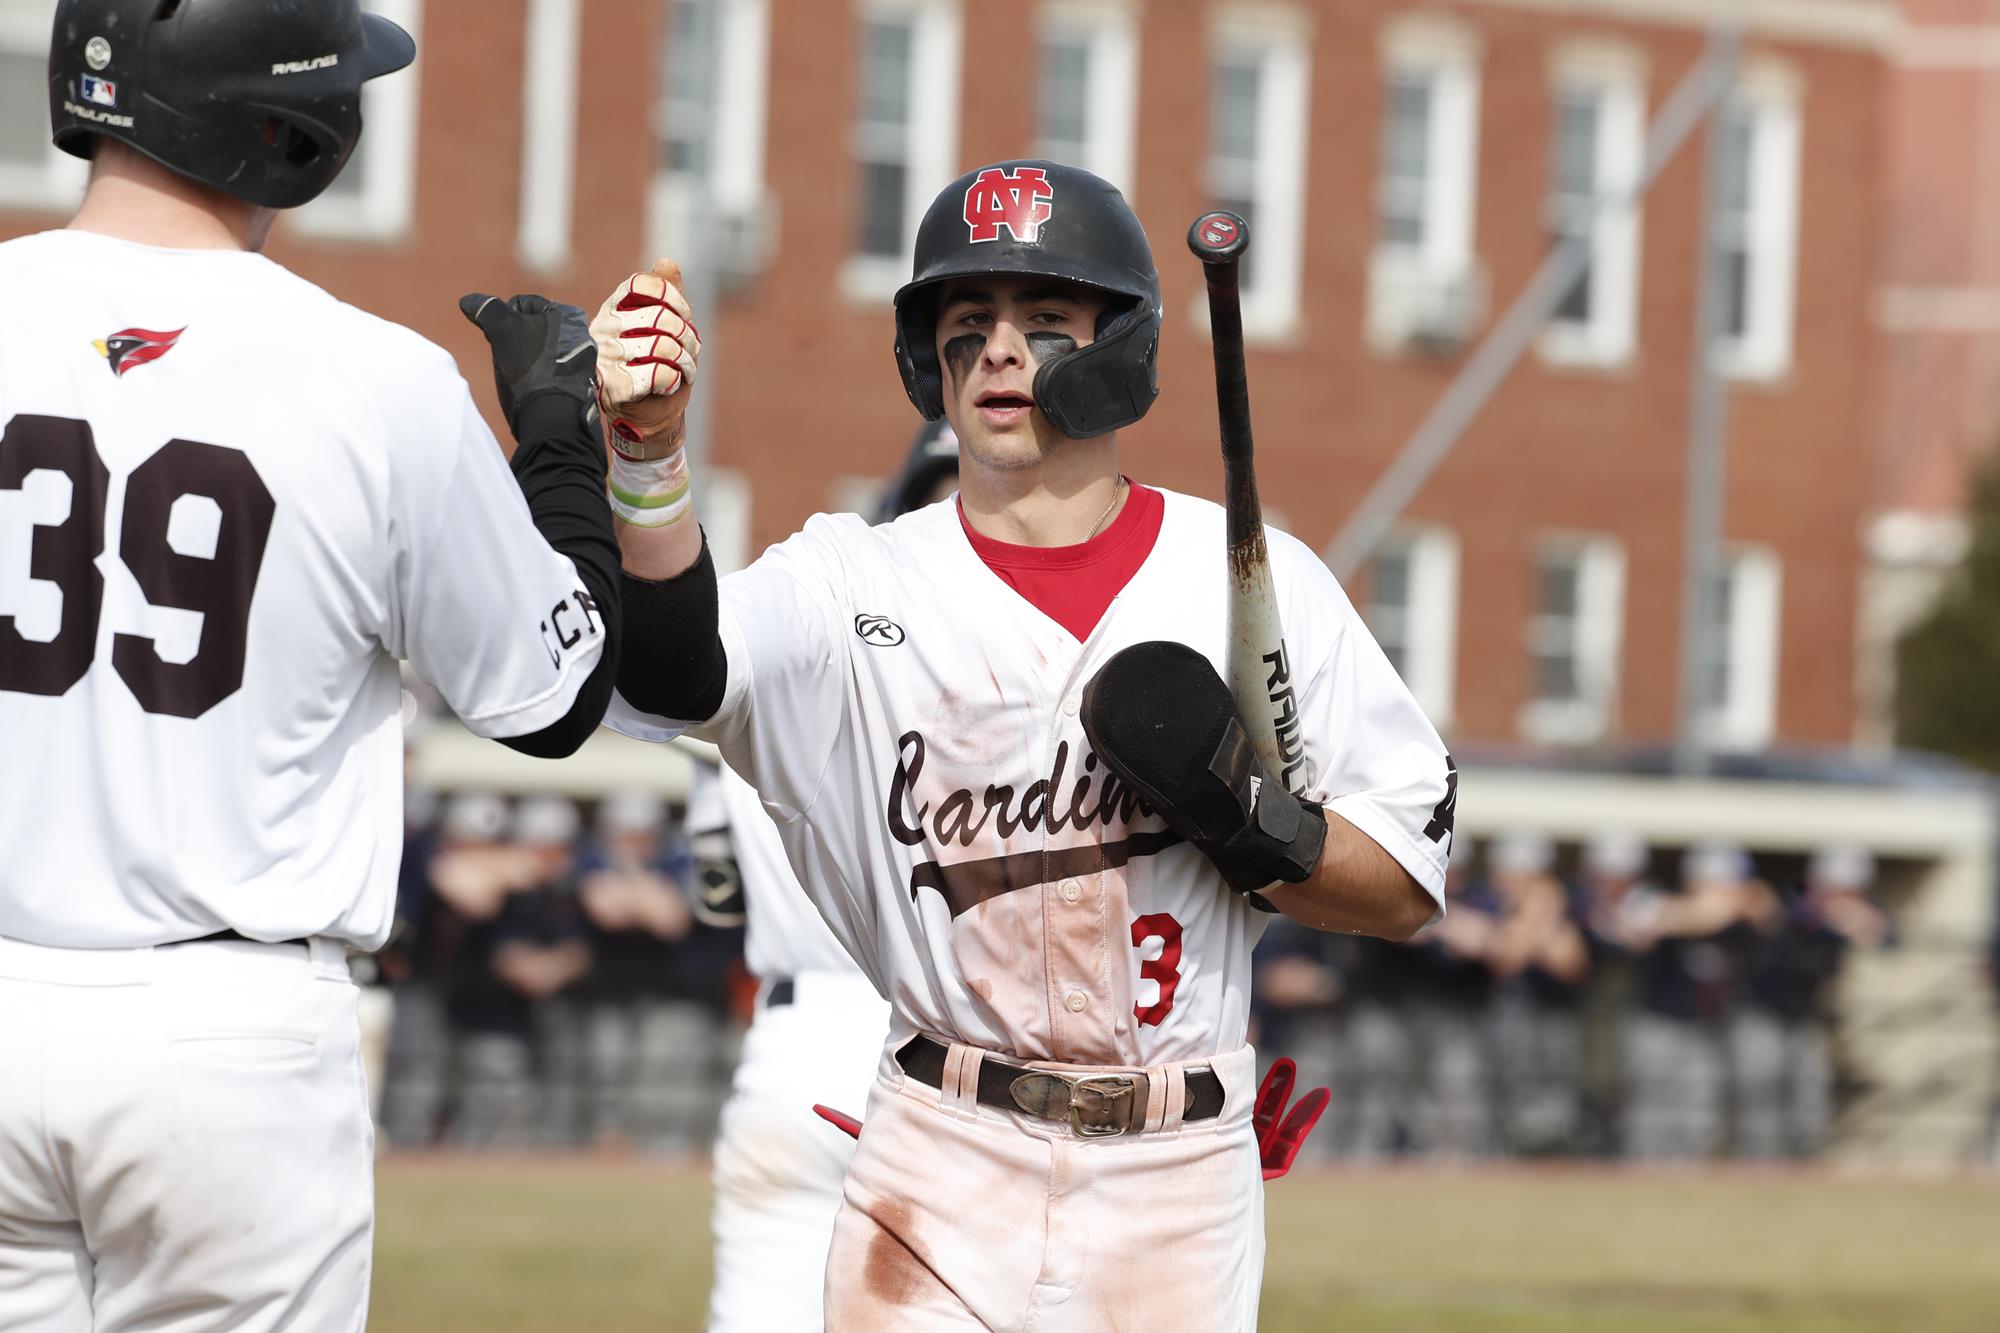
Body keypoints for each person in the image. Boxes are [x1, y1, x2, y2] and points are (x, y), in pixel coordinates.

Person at [589, 161, 1452, 1329]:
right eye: (965, 325)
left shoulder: (1253, 579)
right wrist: (646, 461)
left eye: (1044, 323)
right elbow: (673, 665)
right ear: (926, 361)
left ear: (1120, 351)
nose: (998, 350)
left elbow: (1402, 885)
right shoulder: (848, 579)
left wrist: (1257, 825)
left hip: (1177, 1168)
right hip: (942, 1146)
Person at [0, 3, 621, 1326]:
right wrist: (560, 434)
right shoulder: (375, 379)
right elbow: (557, 699)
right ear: (285, 124)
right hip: (222, 1033)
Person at [694, 419, 955, 1333]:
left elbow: (717, 893)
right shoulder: (1021, 662)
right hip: (956, 1050)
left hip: (794, 1040)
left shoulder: (783, 631)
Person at [1727, 843, 1886, 1159]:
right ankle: (1760, 1172)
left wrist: (1863, 921)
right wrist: (1833, 918)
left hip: (1806, 1016)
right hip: (1763, 1013)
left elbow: (1888, 934)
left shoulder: (1853, 910)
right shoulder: (1794, 897)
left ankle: (1803, 1171)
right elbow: (1792, 916)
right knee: (1761, 1099)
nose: (1844, 897)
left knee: (1810, 1101)